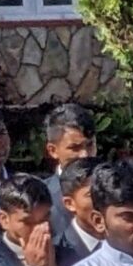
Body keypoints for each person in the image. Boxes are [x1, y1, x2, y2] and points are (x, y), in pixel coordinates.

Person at [40, 103, 99, 251]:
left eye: (89, 145)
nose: (84, 155)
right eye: (75, 148)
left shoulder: (115, 187)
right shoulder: (41, 198)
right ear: (53, 150)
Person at [52, 158, 105, 262]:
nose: (104, 200)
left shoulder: (130, 244)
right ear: (70, 203)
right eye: (91, 194)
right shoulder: (55, 253)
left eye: (107, 192)